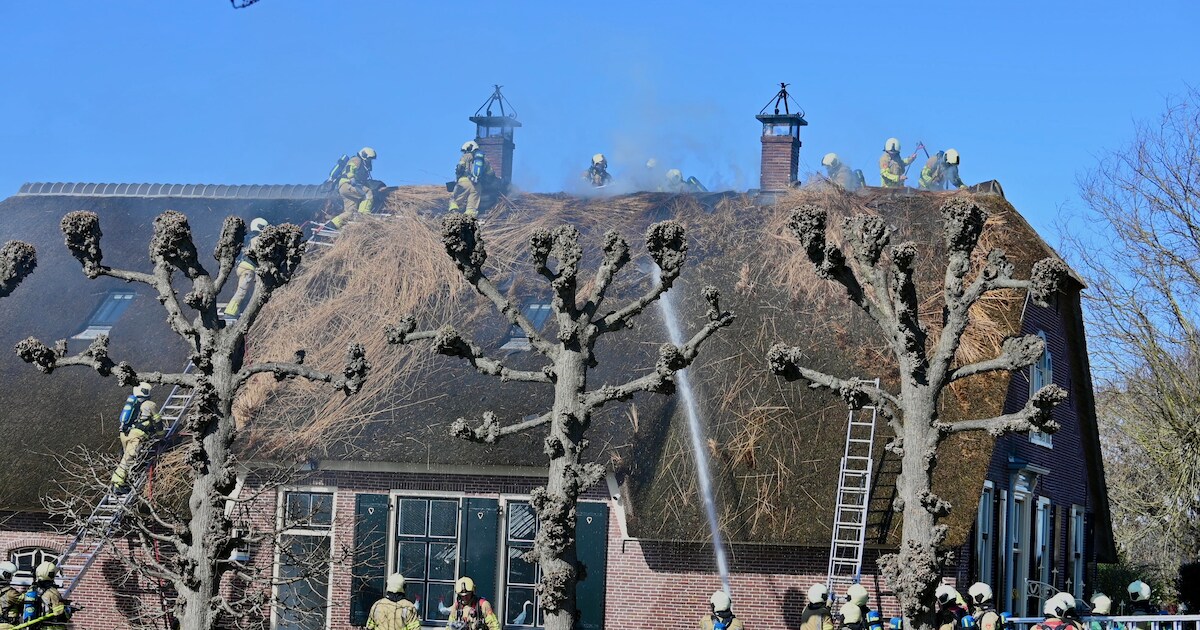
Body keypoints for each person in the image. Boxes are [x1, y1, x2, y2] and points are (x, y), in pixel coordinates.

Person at [111, 382, 163, 493]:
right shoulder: (149, 404)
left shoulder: (133, 403)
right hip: (137, 435)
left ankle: (124, 481)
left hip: (125, 434)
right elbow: (158, 421)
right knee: (128, 459)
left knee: (129, 458)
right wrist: (161, 435)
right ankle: (117, 484)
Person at [223, 217, 267, 317]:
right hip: (249, 269)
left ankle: (238, 311)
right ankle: (229, 313)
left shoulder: (247, 237)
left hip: (242, 266)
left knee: (245, 290)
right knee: (242, 291)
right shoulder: (257, 239)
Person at [334, 147, 383, 228]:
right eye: (369, 159)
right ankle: (363, 216)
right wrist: (352, 177)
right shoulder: (357, 160)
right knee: (368, 193)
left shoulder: (363, 166)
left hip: (344, 188)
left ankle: (332, 225)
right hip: (348, 184)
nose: (369, 161)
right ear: (364, 155)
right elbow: (349, 168)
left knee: (350, 212)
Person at [19, 562, 74, 629]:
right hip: (50, 627)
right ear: (51, 574)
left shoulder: (32, 590)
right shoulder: (53, 592)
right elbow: (59, 613)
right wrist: (69, 609)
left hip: (37, 626)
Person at [450, 142, 495, 218]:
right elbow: (491, 174)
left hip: (464, 183)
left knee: (454, 201)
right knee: (471, 207)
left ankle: (453, 215)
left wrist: (457, 179)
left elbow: (459, 168)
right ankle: (468, 219)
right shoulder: (485, 160)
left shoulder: (465, 156)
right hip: (477, 186)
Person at [0, 562, 20, 629]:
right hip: (7, 626)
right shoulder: (10, 593)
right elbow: (25, 599)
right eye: (10, 575)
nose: (11, 578)